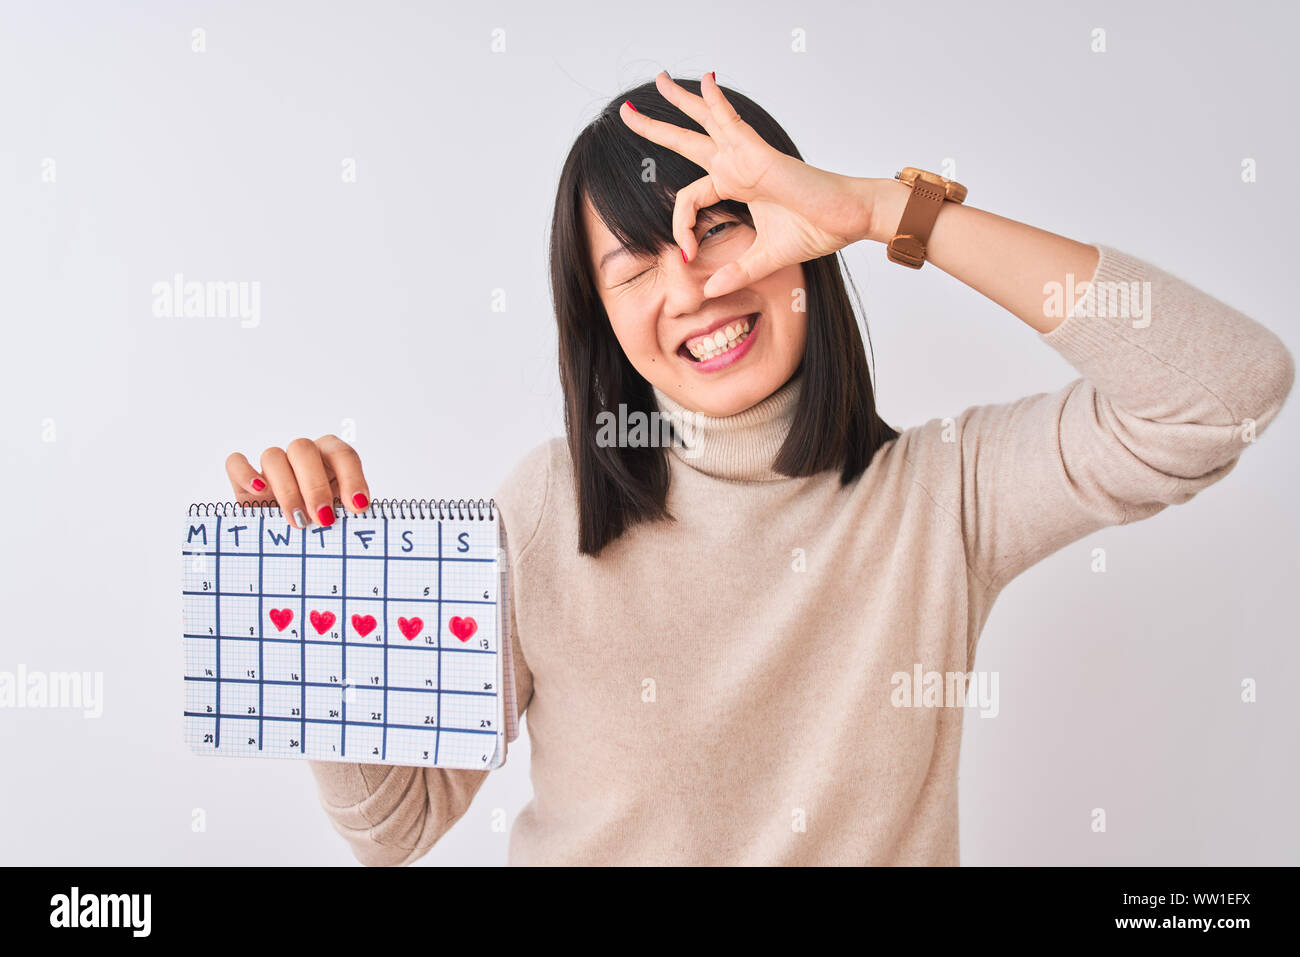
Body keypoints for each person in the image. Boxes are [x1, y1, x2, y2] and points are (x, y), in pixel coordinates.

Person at [223, 72, 1294, 865]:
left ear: (802, 245)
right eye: (635, 265)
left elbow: (1226, 389)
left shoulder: (941, 495)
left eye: (720, 227)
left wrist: (882, 212)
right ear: (602, 321)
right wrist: (331, 600)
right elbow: (396, 827)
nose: (688, 284)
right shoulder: (547, 506)